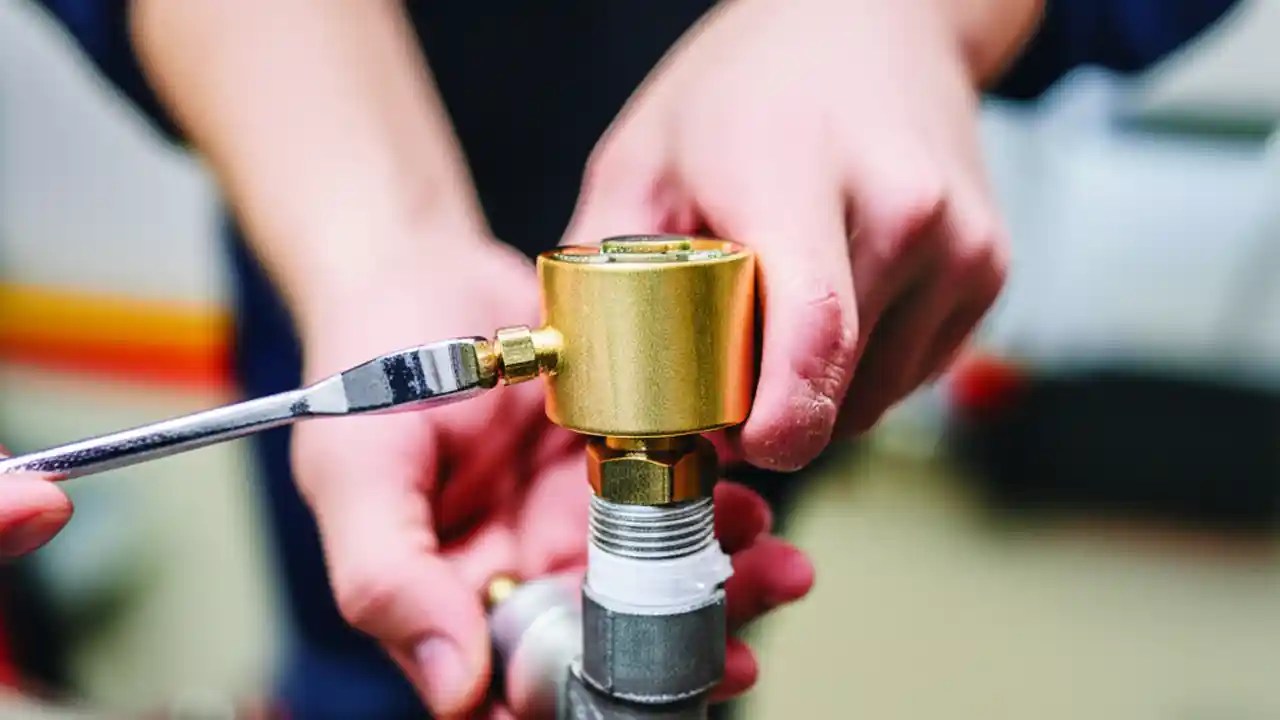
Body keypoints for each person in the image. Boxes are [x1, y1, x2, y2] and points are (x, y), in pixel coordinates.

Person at [15, 0, 1240, 717]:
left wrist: (898, 16)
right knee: (386, 649)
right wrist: (378, 239)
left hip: (767, 263)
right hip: (355, 261)